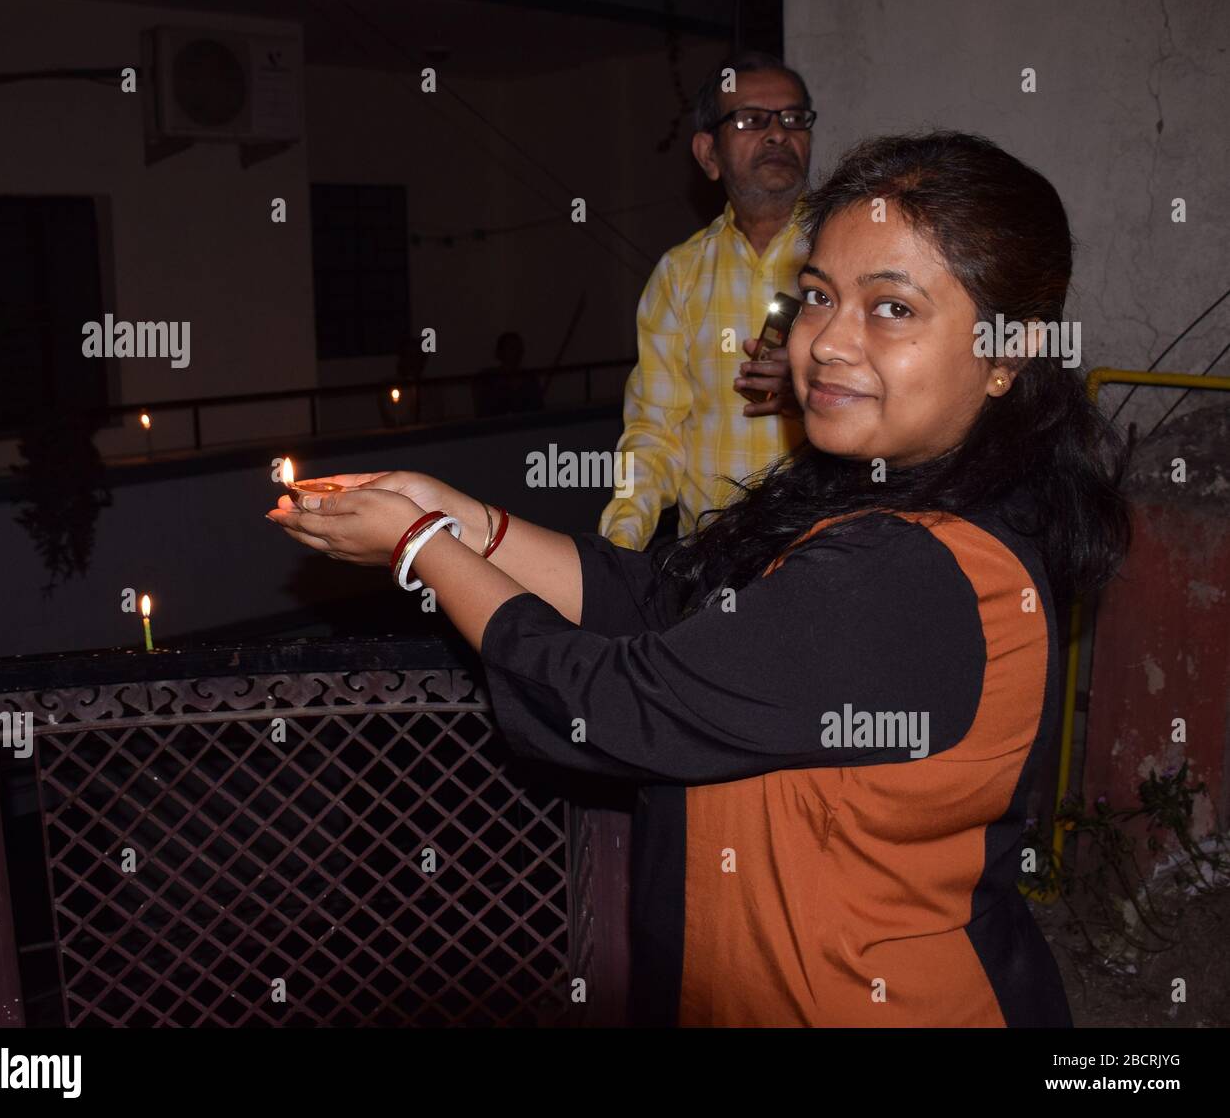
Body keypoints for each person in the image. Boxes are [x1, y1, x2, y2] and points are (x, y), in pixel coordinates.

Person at [268, 132, 1130, 1027]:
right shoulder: (882, 501)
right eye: (818, 298)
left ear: (1008, 352)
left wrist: (421, 549)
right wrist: (461, 519)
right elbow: (672, 604)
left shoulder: (914, 569)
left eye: (893, 310)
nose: (827, 343)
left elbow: (612, 708)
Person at [600, 50, 816, 551]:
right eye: (751, 120)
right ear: (708, 155)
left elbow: (897, 406)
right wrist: (618, 550)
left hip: (826, 559)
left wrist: (811, 391)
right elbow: (654, 432)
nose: (778, 133)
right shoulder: (679, 275)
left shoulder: (849, 254)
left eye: (793, 118)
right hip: (711, 565)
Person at [472, 331, 544, 418]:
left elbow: (537, 408)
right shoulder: (487, 378)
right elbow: (484, 411)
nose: (516, 352)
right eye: (511, 347)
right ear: (499, 352)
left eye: (519, 348)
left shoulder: (530, 378)